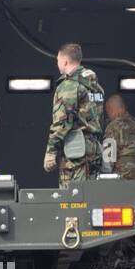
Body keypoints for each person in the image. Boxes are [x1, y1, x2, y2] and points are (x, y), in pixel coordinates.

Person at [43, 43, 104, 187]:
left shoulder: (69, 86)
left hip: (77, 153)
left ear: (65, 61)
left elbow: (62, 122)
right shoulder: (95, 86)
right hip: (95, 150)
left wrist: (51, 152)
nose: (57, 64)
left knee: (72, 200)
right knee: (92, 196)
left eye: (58, 60)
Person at [103, 93, 135, 180]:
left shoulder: (112, 127)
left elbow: (108, 160)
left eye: (108, 112)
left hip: (124, 176)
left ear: (111, 110)